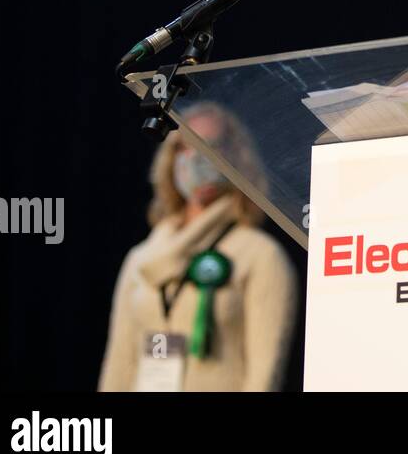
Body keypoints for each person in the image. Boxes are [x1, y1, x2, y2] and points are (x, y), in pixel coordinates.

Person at [99, 102, 298, 391]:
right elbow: (118, 366)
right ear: (172, 156)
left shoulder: (260, 255)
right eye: (187, 144)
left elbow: (264, 375)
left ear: (235, 157)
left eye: (212, 145)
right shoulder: (141, 257)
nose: (198, 156)